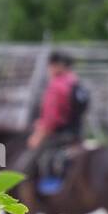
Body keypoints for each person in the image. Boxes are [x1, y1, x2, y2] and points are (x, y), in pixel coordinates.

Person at [25, 51, 87, 185]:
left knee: (26, 163)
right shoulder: (76, 84)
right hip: (77, 135)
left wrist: (37, 137)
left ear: (57, 66)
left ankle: (48, 188)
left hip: (59, 136)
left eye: (50, 65)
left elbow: (51, 119)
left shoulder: (56, 86)